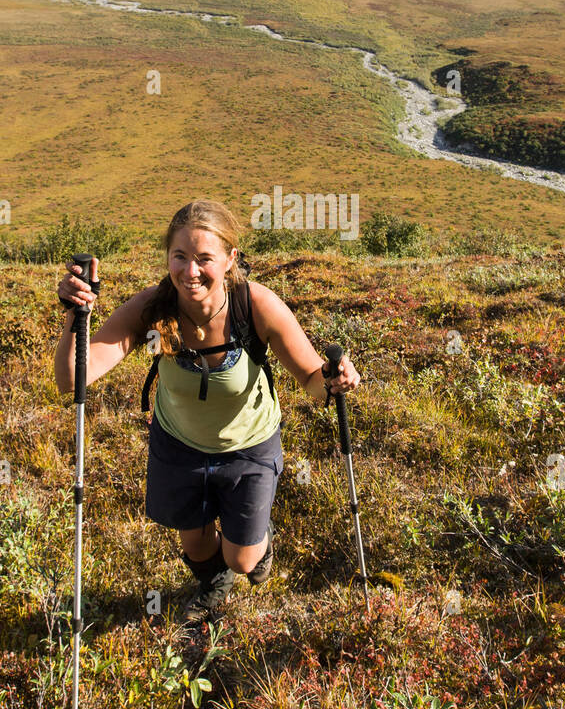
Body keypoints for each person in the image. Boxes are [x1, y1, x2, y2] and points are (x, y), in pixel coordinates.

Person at [54, 199, 360, 623]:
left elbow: (312, 381)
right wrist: (76, 315)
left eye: (204, 259)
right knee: (196, 547)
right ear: (167, 257)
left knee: (243, 560)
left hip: (248, 445)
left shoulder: (256, 306)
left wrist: (333, 379)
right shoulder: (153, 308)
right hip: (179, 444)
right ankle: (213, 584)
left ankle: (253, 546)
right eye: (179, 257)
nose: (190, 271)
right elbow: (73, 379)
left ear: (231, 258)